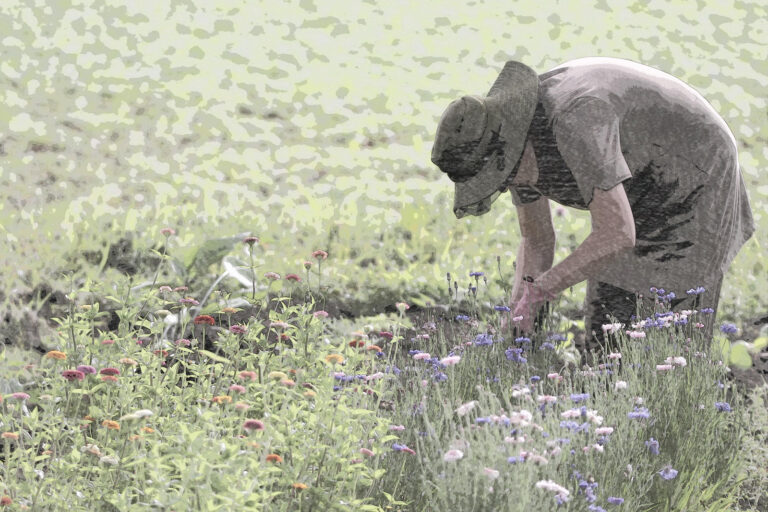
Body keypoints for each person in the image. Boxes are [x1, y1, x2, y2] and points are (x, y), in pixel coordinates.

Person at [431, 57, 755, 353]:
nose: (509, 184)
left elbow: (617, 233)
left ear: (513, 147)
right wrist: (519, 309)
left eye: (503, 174)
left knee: (669, 339)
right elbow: (537, 240)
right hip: (638, 181)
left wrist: (542, 291)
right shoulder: (512, 153)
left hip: (694, 174)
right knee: (607, 338)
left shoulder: (576, 121)